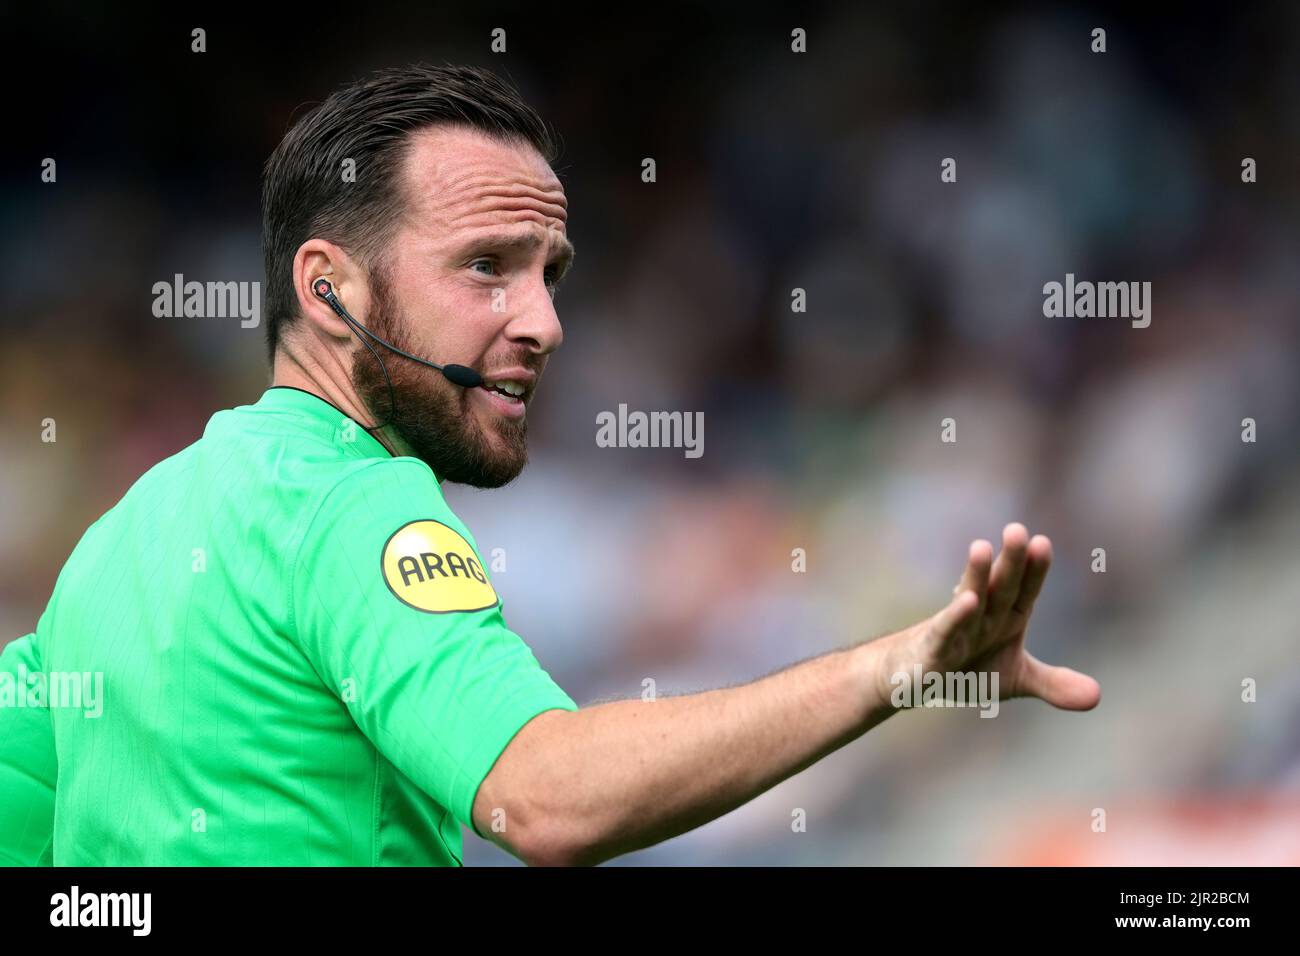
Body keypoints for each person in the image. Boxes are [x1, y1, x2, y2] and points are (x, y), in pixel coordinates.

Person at [0, 63, 1099, 868]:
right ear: (329, 290)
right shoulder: (357, 510)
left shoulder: (120, 538)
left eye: (551, 272)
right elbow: (544, 794)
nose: (544, 320)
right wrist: (897, 666)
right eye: (486, 266)